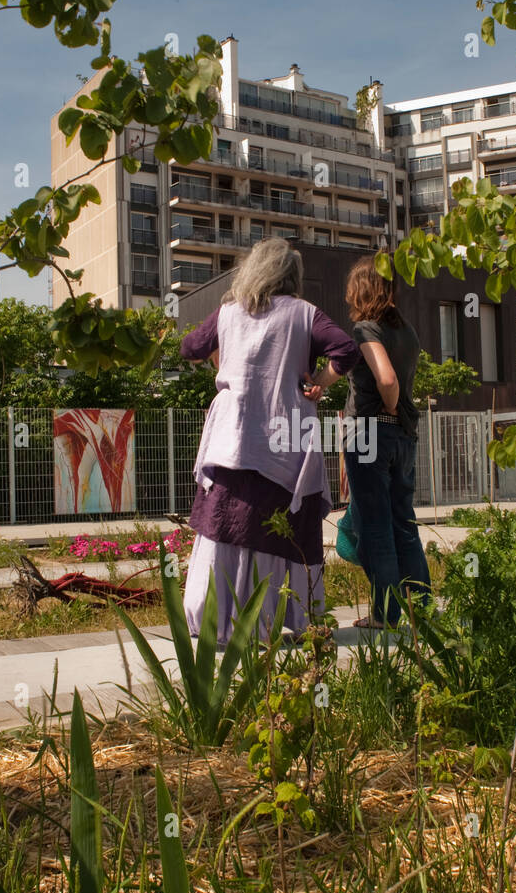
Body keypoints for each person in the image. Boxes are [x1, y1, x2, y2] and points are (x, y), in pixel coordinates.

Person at [180, 238, 360, 642]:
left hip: (232, 439)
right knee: (283, 527)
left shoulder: (228, 313)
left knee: (225, 524)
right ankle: (278, 618)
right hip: (284, 442)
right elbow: (346, 350)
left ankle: (216, 617)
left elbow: (190, 347)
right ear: (291, 278)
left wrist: (221, 360)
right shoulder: (304, 314)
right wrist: (320, 382)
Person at [336, 254, 430, 628]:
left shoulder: (366, 330)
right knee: (403, 522)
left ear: (362, 291)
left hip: (371, 433)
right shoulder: (407, 331)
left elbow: (387, 380)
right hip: (403, 436)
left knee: (375, 525)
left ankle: (385, 613)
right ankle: (420, 608)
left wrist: (385, 409)